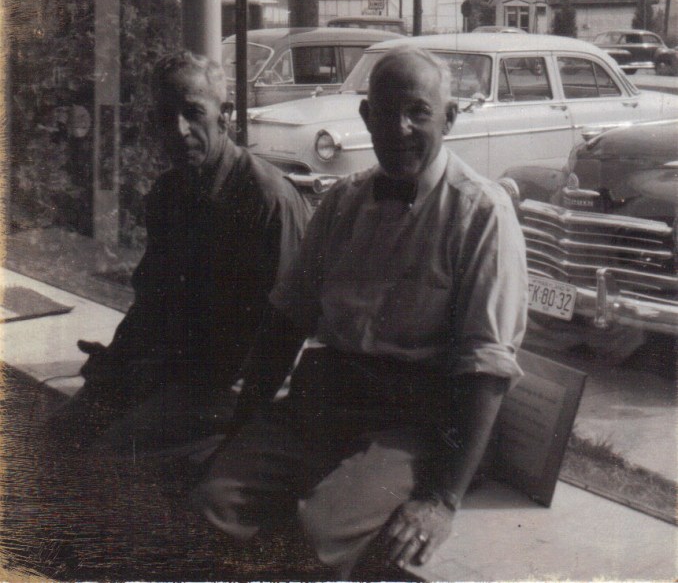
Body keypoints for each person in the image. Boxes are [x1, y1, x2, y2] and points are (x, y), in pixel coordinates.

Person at [193, 43, 528, 580]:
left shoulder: (483, 215)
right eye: (386, 111)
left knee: (313, 538)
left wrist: (442, 500)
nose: (399, 128)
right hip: (321, 405)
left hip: (411, 428)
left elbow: (486, 368)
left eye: (418, 111)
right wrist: (243, 422)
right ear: (366, 116)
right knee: (211, 502)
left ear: (448, 116)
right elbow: (286, 321)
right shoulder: (345, 201)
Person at [47, 49, 310, 459]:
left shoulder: (267, 200)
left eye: (193, 112)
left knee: (104, 457)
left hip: (237, 390)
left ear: (224, 114)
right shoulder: (168, 193)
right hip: (176, 374)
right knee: (54, 435)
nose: (179, 129)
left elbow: (276, 339)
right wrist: (116, 362)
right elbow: (152, 304)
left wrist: (158, 375)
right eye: (166, 116)